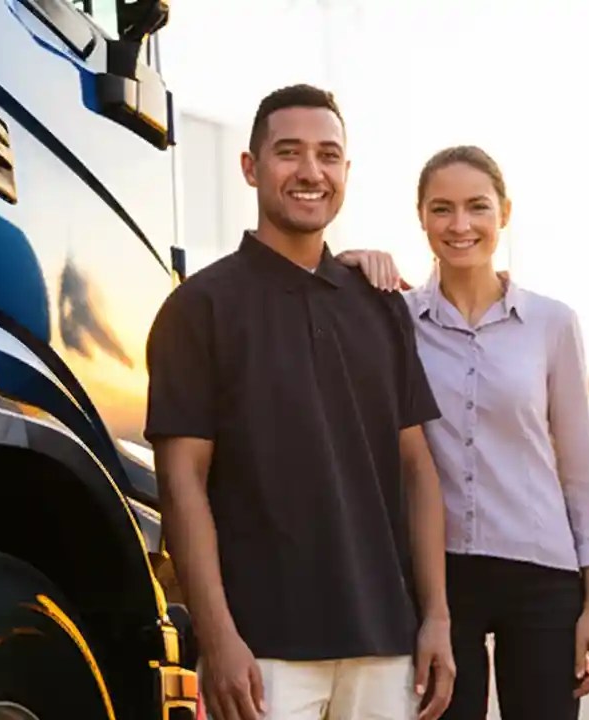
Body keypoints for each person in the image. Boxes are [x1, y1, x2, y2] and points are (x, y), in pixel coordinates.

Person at [144, 84, 456, 720]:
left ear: (346, 171)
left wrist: (437, 618)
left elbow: (419, 472)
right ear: (251, 167)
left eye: (329, 155)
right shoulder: (199, 308)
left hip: (385, 642)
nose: (311, 172)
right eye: (290, 153)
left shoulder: (381, 304)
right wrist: (220, 637)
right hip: (265, 656)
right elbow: (182, 486)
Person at [338, 145, 589, 719]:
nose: (460, 226)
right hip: (439, 580)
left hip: (542, 575)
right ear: (421, 218)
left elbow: (579, 466)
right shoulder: (396, 319)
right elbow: (321, 290)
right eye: (442, 209)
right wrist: (348, 261)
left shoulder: (552, 323)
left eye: (477, 207)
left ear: (504, 213)